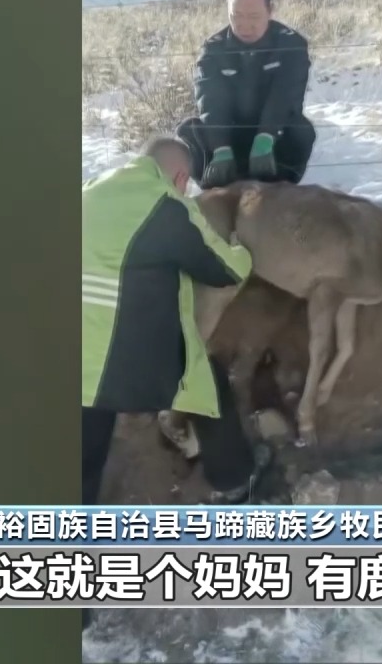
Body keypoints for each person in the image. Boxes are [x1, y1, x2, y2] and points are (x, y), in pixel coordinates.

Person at [81, 136, 271, 508]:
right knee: (205, 380)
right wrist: (240, 245)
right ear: (181, 177)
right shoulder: (166, 205)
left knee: (84, 438)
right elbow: (224, 270)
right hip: (125, 359)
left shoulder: (89, 191)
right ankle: (234, 479)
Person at [176, 0, 317, 190]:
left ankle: (277, 189)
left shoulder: (291, 44)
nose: (244, 25)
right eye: (236, 16)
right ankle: (217, 189)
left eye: (253, 16)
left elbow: (286, 96)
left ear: (270, 10)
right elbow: (210, 100)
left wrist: (265, 137)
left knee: (302, 131)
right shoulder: (213, 49)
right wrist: (220, 147)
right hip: (229, 136)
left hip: (273, 138)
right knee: (188, 131)